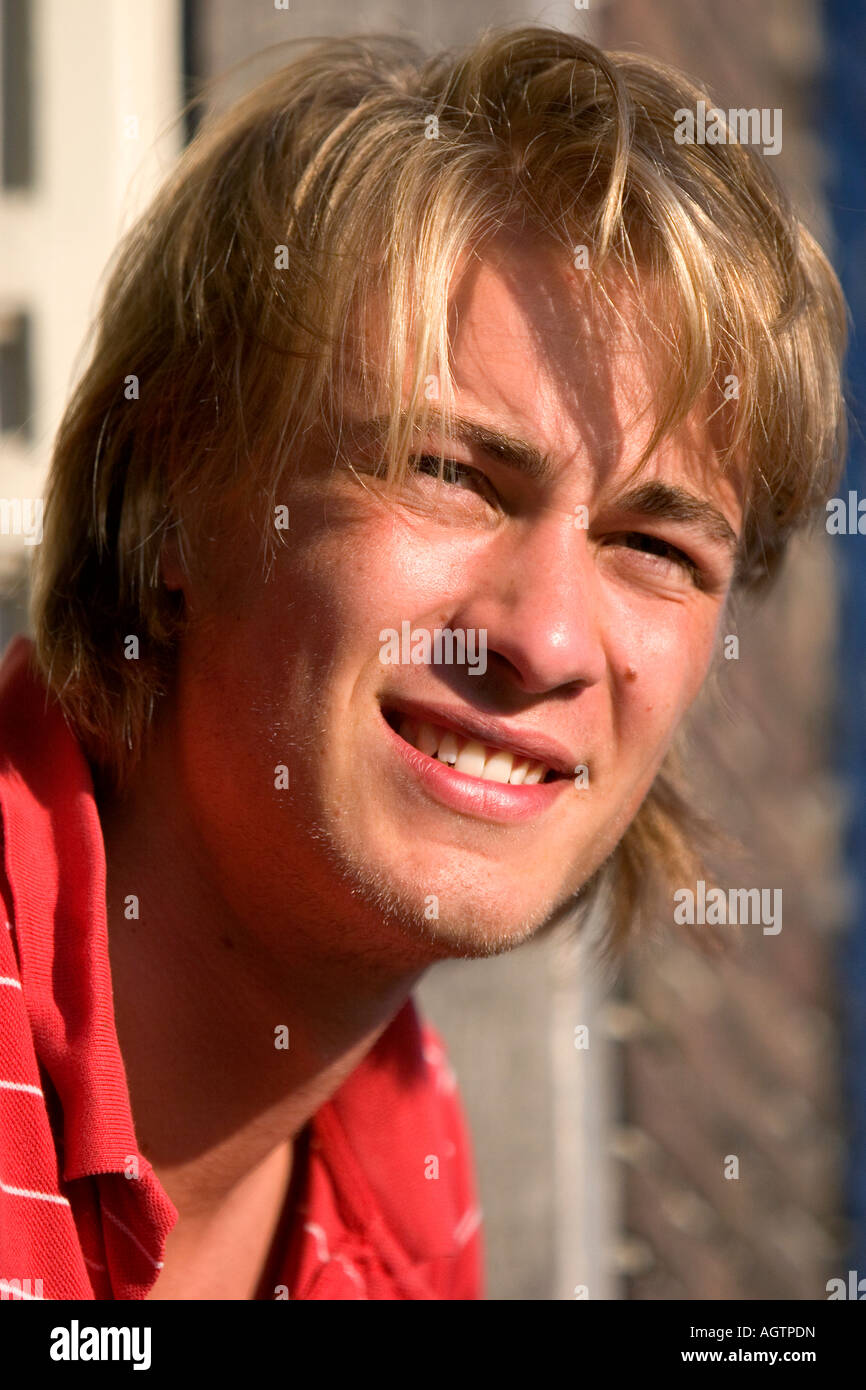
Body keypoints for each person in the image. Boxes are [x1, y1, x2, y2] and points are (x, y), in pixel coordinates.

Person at [0, 25, 847, 1300]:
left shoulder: (402, 1174)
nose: (546, 639)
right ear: (178, 489)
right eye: (448, 473)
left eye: (654, 547)